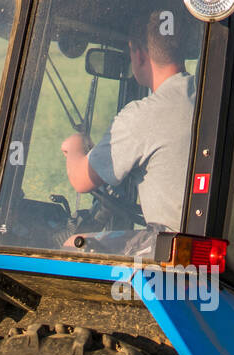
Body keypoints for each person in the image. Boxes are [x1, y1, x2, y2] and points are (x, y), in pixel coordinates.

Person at [61, 9, 198, 254]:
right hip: (223, 241)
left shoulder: (144, 115)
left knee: (75, 244)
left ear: (138, 54)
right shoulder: (211, 98)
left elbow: (81, 179)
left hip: (174, 247)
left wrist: (74, 146)